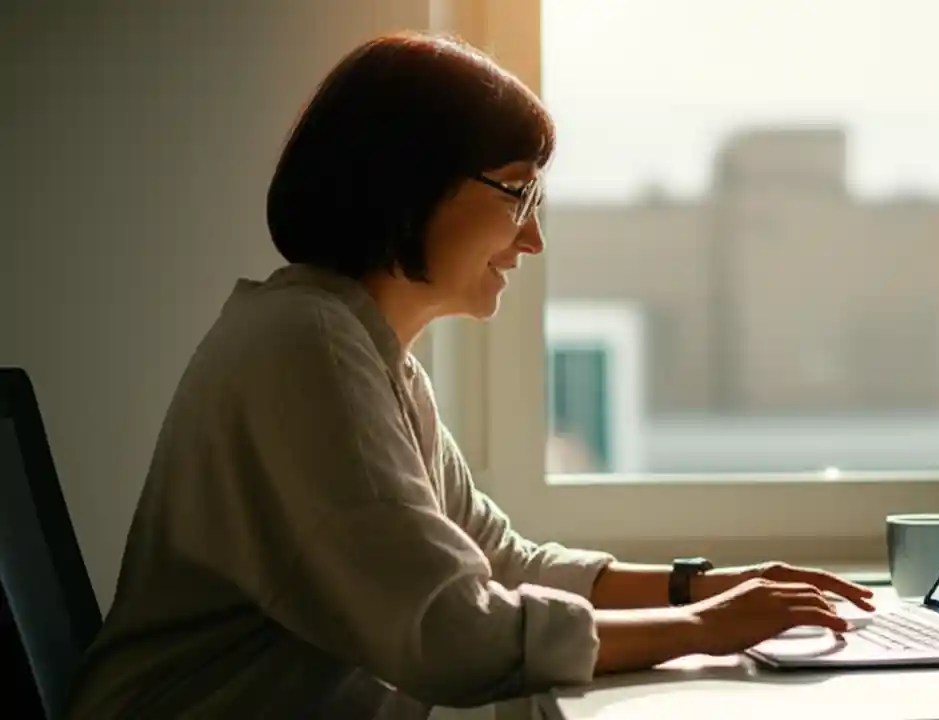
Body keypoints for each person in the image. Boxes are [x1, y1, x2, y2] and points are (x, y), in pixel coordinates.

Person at [65, 32, 874, 718]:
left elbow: (498, 561)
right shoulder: (303, 352)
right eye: (519, 193)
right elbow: (451, 633)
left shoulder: (352, 347)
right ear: (410, 182)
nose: (533, 241)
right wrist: (705, 628)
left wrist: (698, 588)